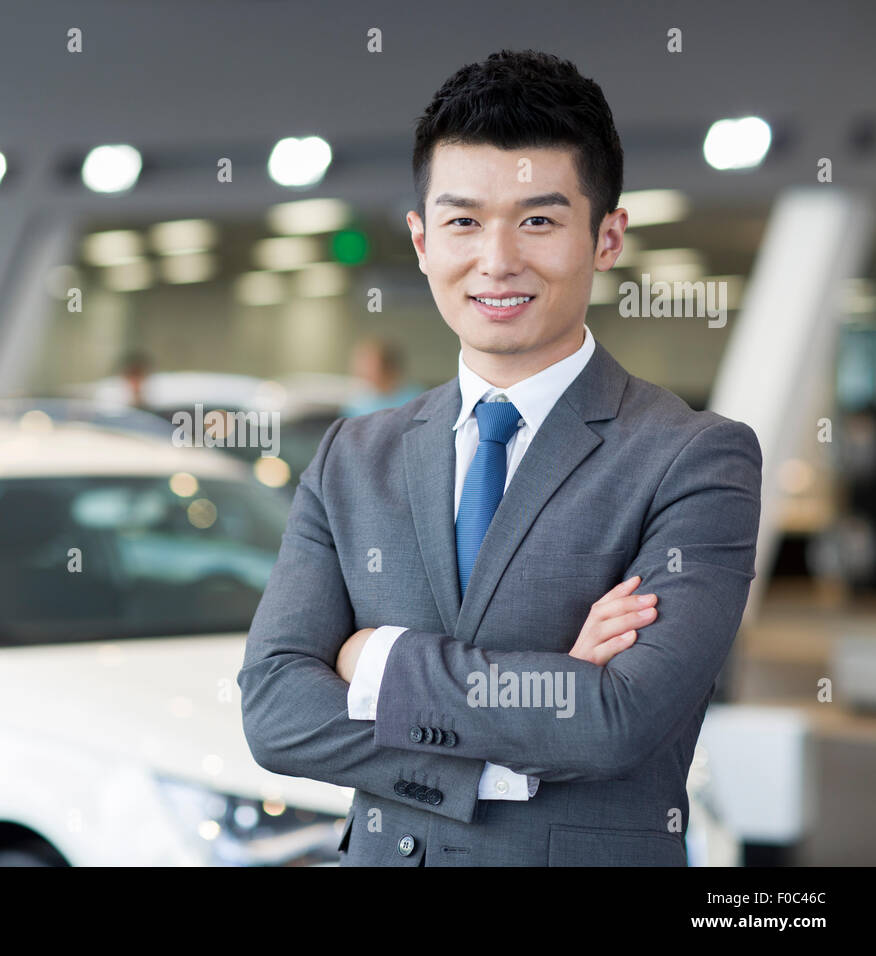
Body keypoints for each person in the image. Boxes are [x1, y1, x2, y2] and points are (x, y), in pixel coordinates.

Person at [238, 49, 762, 866]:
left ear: (608, 236)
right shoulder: (353, 454)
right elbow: (274, 709)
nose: (497, 260)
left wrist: (376, 659)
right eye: (463, 221)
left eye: (540, 220)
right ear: (420, 239)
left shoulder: (694, 459)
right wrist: (534, 708)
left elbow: (617, 718)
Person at [340, 337, 423, 417]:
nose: (359, 368)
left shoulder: (415, 397)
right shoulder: (357, 399)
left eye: (368, 362)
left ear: (388, 365)